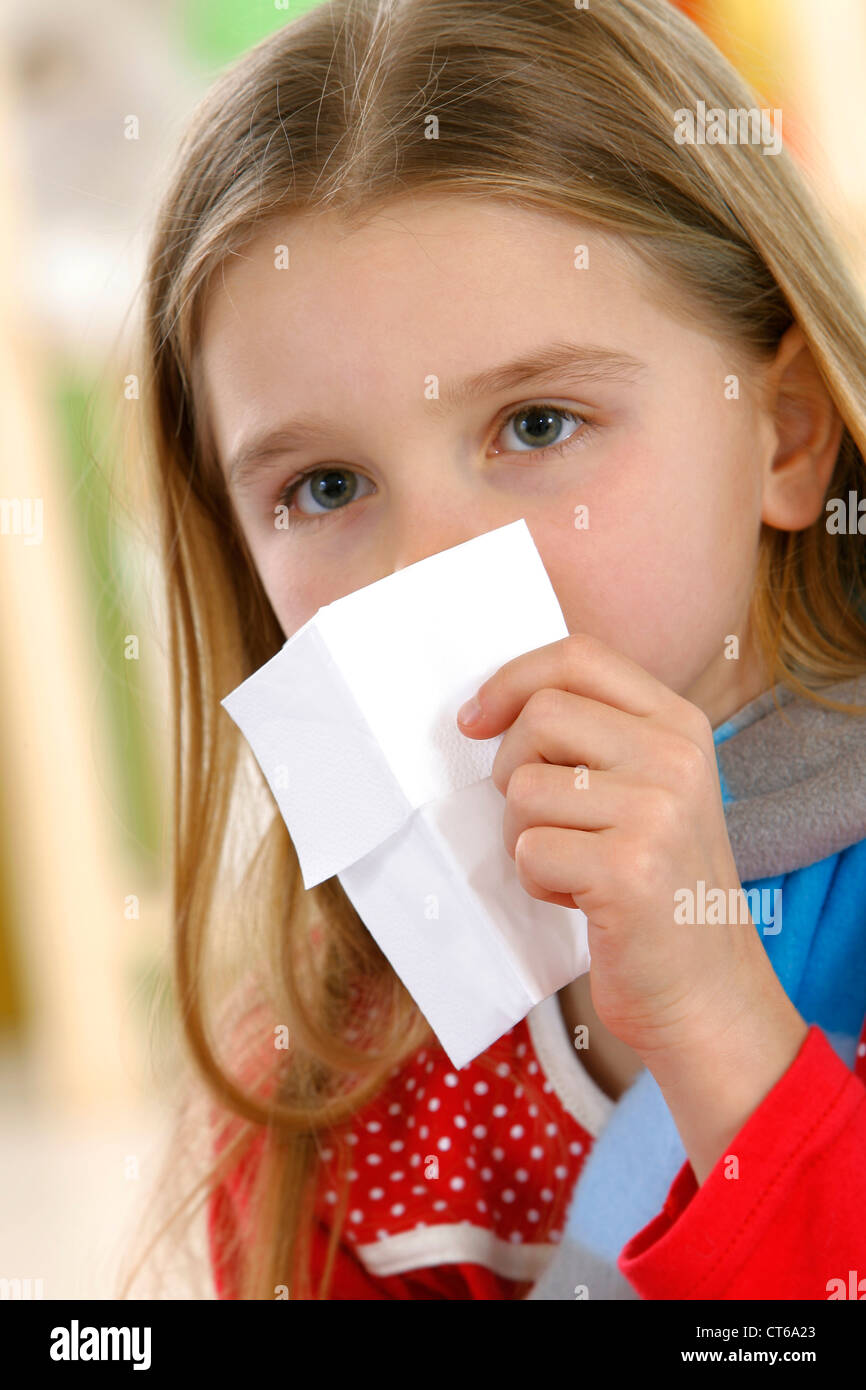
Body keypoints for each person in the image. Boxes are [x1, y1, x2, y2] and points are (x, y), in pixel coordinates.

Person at [119, 0, 866, 1299]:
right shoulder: (330, 1077)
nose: (426, 567)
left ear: (785, 432)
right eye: (329, 487)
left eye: (534, 425)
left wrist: (713, 1027)